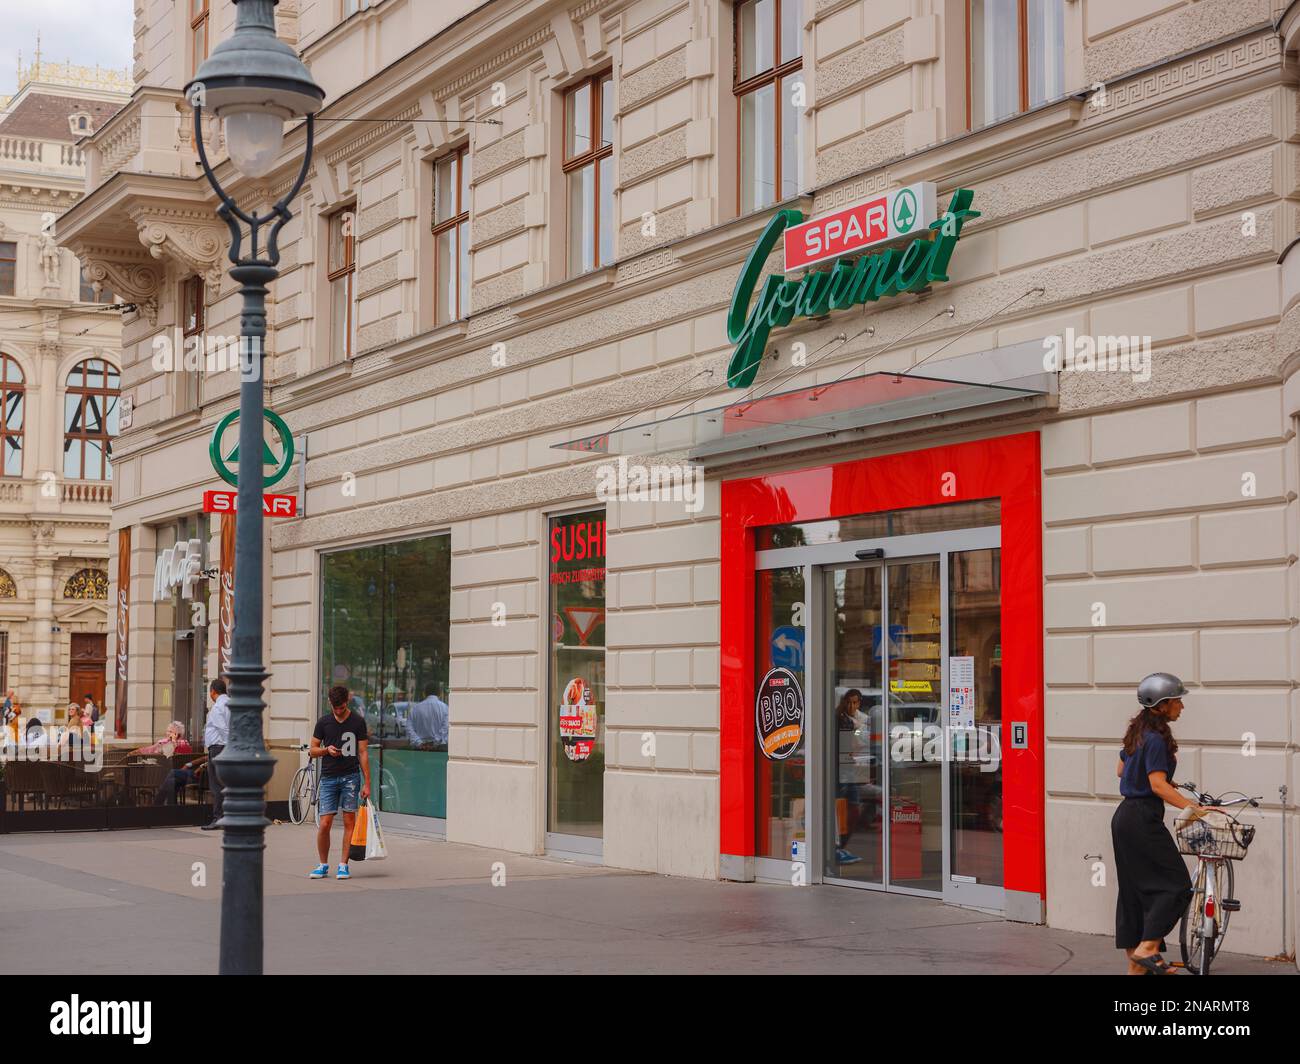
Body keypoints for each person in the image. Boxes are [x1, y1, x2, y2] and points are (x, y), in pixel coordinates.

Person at [1112, 672, 1201, 975]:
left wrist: (1156, 773)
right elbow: (1157, 786)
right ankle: (1147, 949)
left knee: (1133, 893)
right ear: (1161, 705)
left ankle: (1137, 967)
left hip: (1124, 817)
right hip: (1142, 818)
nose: (1182, 707)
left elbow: (1122, 770)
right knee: (1177, 885)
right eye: (1177, 700)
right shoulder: (1155, 740)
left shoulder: (1138, 732)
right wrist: (1194, 808)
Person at [308, 684, 371, 880]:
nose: (338, 711)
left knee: (348, 821)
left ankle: (343, 864)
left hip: (351, 777)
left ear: (347, 702)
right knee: (325, 823)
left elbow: (362, 753)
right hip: (328, 777)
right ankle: (323, 864)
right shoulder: (323, 722)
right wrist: (327, 750)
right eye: (335, 708)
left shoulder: (358, 722)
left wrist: (367, 783)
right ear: (330, 703)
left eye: (341, 708)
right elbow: (312, 750)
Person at [202, 678, 230, 830]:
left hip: (219, 748)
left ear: (213, 691)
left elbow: (222, 728)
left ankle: (218, 818)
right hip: (225, 748)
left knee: (216, 785)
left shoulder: (218, 707)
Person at [404, 685, 450, 750]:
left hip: (419, 749)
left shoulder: (415, 708)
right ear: (440, 693)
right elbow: (446, 727)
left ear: (424, 693)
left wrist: (419, 742)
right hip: (439, 748)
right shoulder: (445, 708)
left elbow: (409, 727)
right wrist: (435, 742)